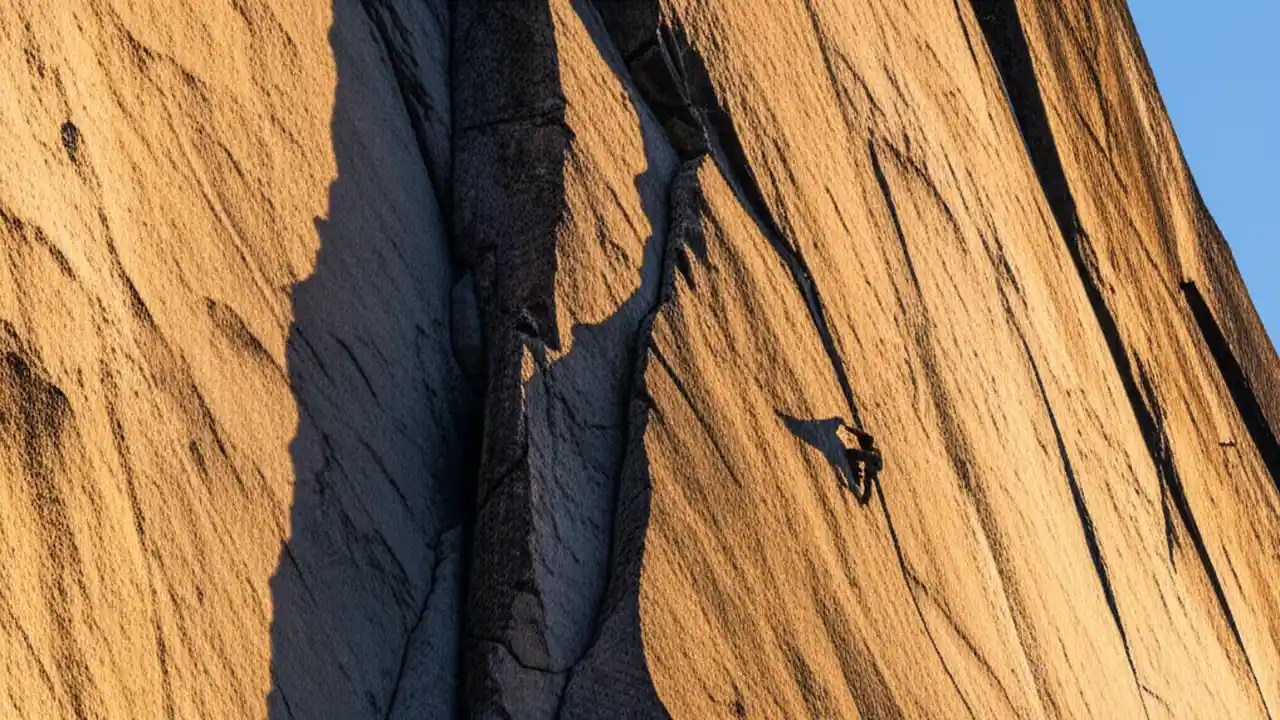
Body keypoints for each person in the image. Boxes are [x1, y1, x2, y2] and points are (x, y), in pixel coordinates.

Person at [837, 424, 883, 505]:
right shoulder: (869, 446)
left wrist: (852, 453)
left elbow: (860, 454)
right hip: (874, 461)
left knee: (867, 479)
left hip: (874, 461)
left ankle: (865, 499)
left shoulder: (869, 452)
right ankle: (865, 499)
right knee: (867, 480)